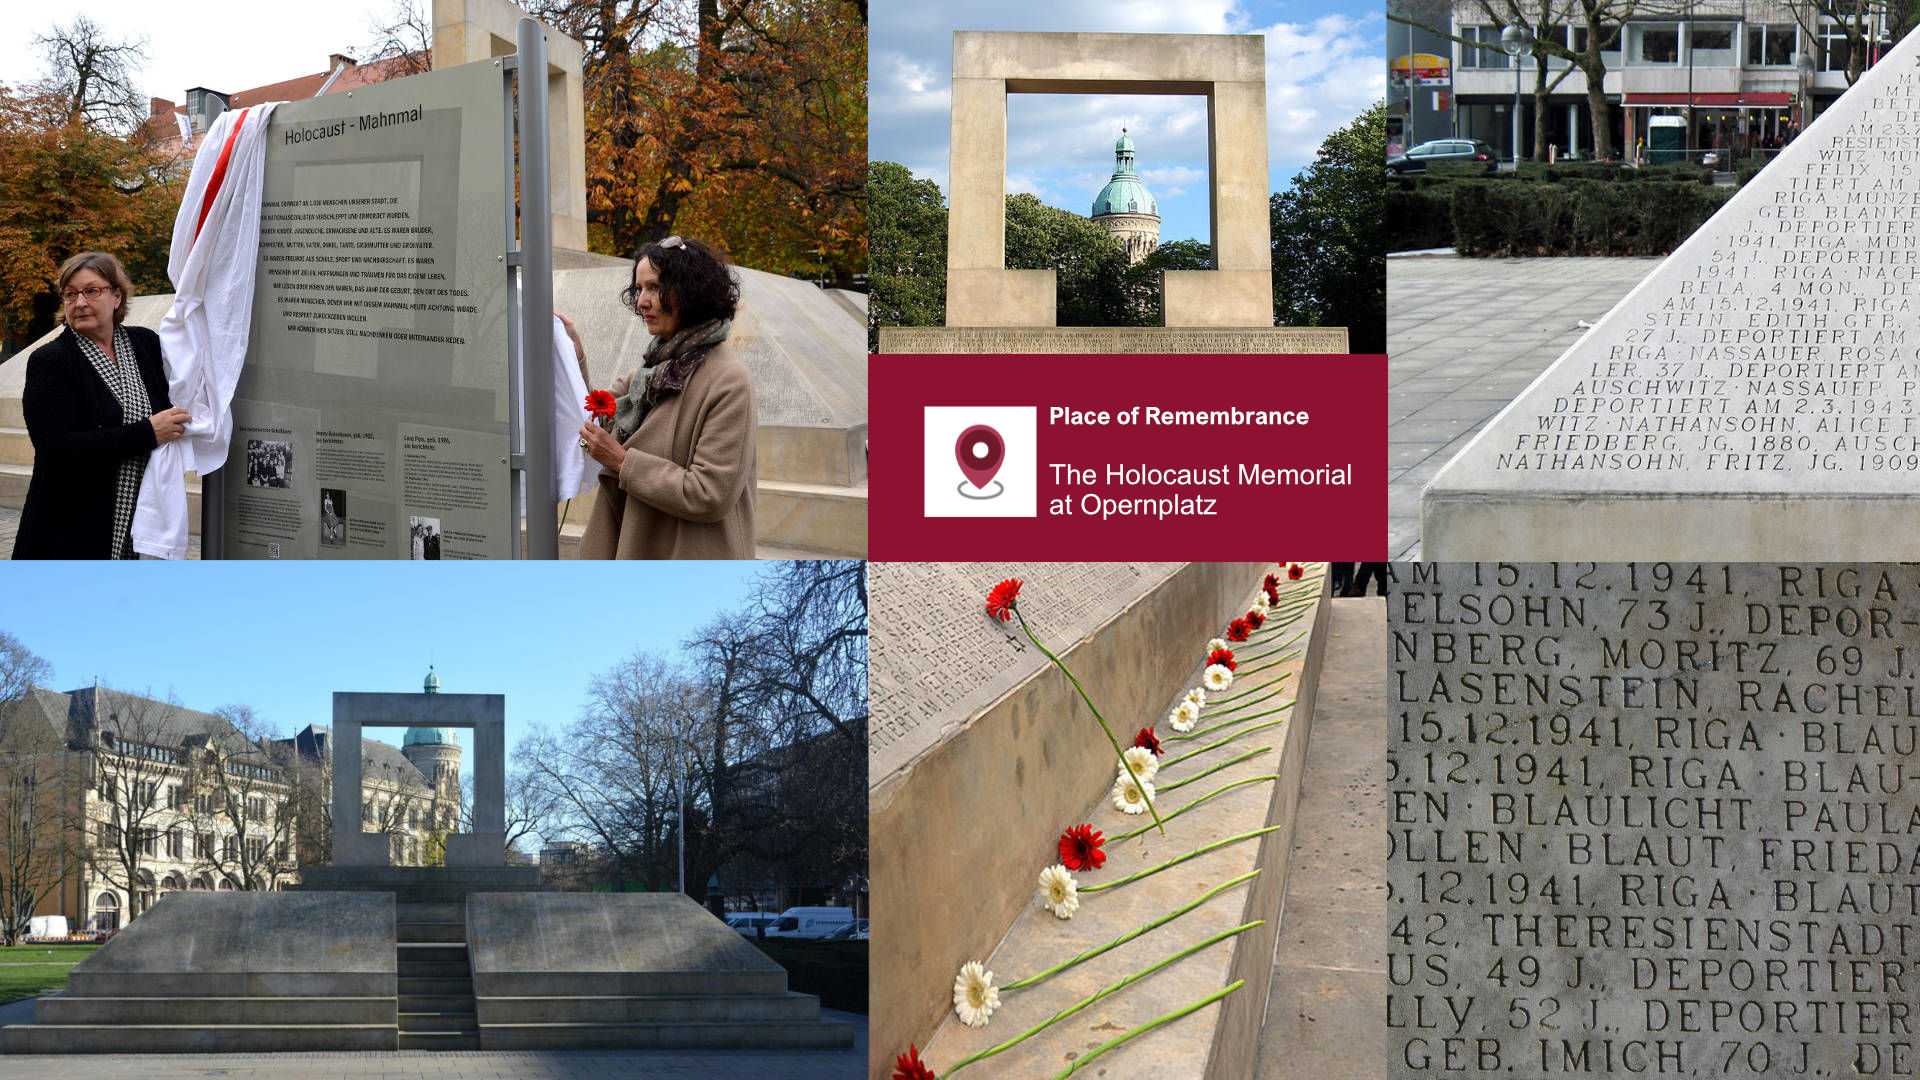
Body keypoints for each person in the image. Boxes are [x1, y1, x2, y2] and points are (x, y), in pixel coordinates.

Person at [569, 236, 756, 559]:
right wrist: (573, 359)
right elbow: (596, 419)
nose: (641, 301)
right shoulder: (649, 371)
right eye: (639, 289)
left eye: (654, 287)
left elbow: (709, 493)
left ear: (691, 291)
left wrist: (621, 461)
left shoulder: (728, 381)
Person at [14, 252, 190, 559]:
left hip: (143, 515)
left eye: (92, 290)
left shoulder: (146, 344)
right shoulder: (50, 361)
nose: (79, 302)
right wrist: (147, 433)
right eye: (70, 294)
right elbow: (56, 448)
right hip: (70, 524)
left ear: (117, 296)